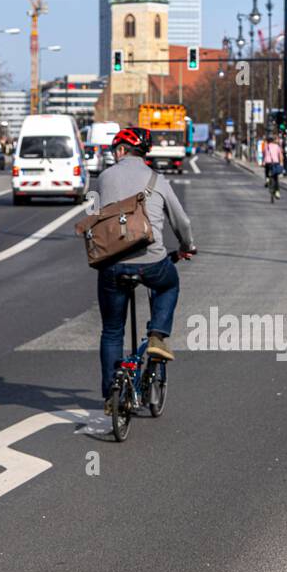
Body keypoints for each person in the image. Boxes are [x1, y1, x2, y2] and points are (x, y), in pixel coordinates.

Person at [93, 127, 196, 412]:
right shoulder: (157, 179)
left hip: (113, 264)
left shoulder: (103, 178)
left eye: (116, 149)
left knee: (112, 330)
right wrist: (187, 246)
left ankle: (112, 394)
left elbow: (91, 215)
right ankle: (157, 336)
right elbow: (181, 222)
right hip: (151, 261)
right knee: (169, 284)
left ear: (122, 150)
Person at [261, 134, 284, 200]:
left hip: (268, 162)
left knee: (267, 170)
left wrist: (263, 162)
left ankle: (267, 179)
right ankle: (277, 192)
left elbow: (264, 154)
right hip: (275, 162)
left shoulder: (266, 146)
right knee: (276, 178)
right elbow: (280, 155)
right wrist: (281, 163)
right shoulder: (277, 146)